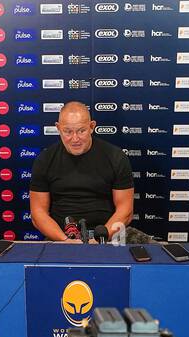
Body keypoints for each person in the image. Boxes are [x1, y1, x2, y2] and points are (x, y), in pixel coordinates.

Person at [29, 101, 152, 244]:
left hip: (108, 233)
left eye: (81, 131)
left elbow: (125, 210)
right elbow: (38, 214)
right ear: (58, 128)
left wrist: (102, 236)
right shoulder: (45, 159)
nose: (75, 139)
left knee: (155, 256)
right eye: (68, 131)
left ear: (92, 126)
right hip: (62, 235)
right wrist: (64, 240)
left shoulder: (115, 157)